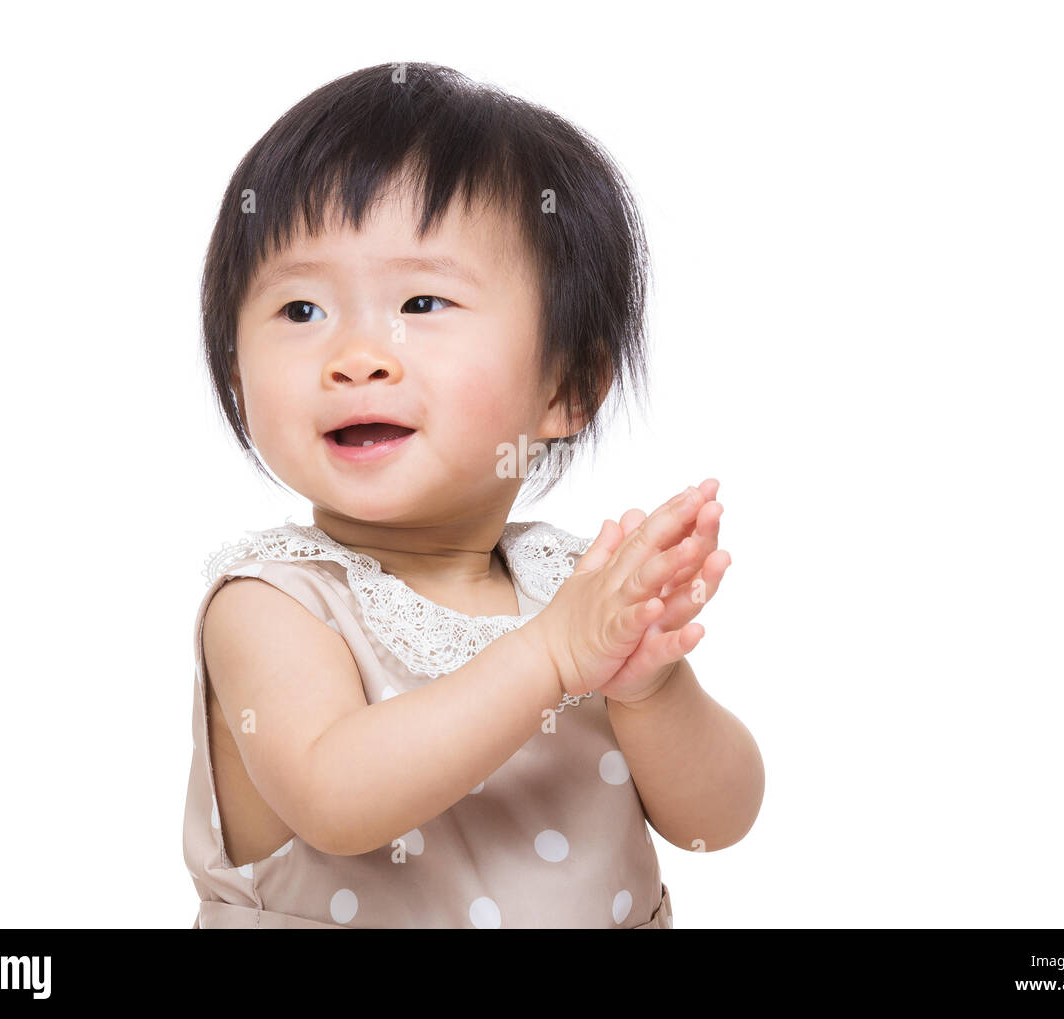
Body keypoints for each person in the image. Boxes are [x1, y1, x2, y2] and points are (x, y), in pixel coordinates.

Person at [183, 61, 763, 928]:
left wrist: (652, 689)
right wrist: (549, 660)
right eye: (301, 310)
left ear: (569, 386)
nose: (356, 356)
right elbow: (340, 798)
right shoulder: (276, 604)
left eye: (421, 300)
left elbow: (718, 823)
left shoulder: (575, 590)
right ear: (236, 376)